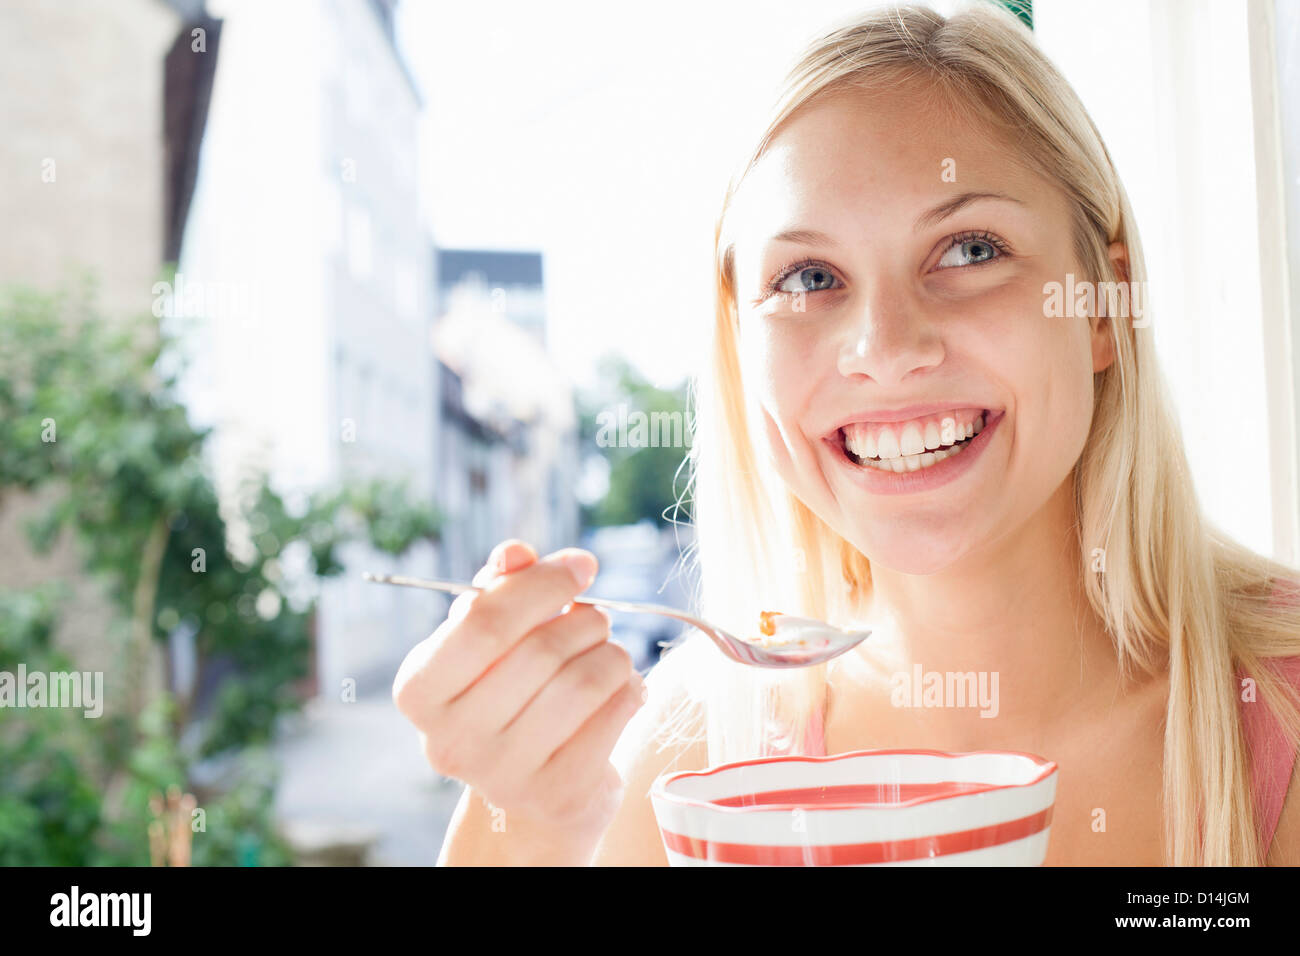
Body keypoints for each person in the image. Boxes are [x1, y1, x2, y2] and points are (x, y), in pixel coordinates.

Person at [393, 2, 1300, 866]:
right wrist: (514, 834)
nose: (887, 349)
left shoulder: (1280, 706)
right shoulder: (673, 771)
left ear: (1104, 305)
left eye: (970, 250)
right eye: (809, 277)